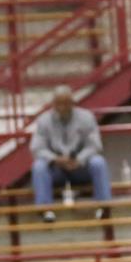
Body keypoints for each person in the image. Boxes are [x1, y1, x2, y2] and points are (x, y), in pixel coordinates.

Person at [30, 86, 111, 220]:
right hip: (57, 169)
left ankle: (104, 207)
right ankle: (45, 210)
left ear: (73, 103)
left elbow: (95, 145)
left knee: (98, 162)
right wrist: (56, 159)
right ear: (53, 104)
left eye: (66, 103)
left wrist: (79, 159)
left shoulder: (86, 117)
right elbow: (37, 148)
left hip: (81, 167)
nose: (62, 107)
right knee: (39, 166)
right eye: (59, 104)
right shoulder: (43, 121)